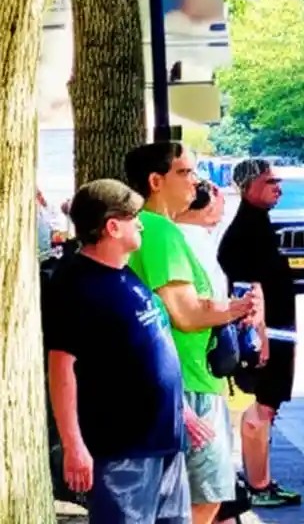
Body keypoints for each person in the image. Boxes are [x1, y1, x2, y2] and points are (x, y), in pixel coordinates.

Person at [125, 142, 258, 524]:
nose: (195, 183)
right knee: (206, 497)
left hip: (175, 378)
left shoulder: (144, 228)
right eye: (185, 173)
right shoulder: (161, 230)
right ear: (156, 180)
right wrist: (238, 308)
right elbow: (185, 312)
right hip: (192, 380)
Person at [43, 179, 190, 524]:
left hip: (164, 441)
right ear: (112, 226)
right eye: (133, 216)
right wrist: (73, 444)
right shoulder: (76, 284)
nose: (140, 222)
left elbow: (151, 347)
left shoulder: (124, 273)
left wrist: (183, 412)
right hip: (122, 450)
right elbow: (61, 368)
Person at [218, 158, 302, 508]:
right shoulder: (244, 233)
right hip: (268, 335)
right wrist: (262, 338)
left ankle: (261, 480)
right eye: (270, 182)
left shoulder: (260, 227)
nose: (277, 187)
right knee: (263, 407)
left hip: (280, 330)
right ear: (248, 186)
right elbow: (248, 292)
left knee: (270, 405)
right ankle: (258, 484)